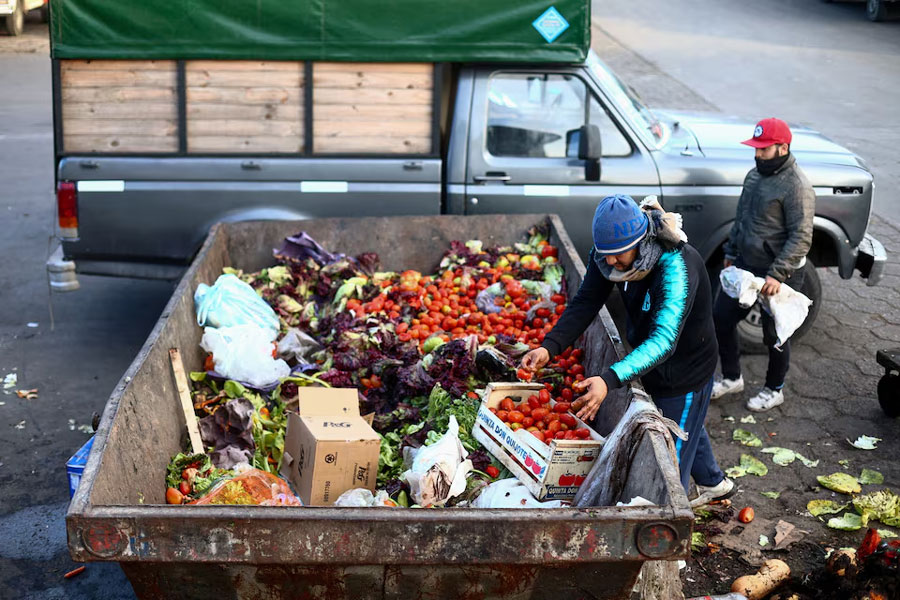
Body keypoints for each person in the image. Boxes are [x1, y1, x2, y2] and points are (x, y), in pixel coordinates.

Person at [521, 194, 732, 506]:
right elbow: (586, 301)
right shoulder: (609, 253)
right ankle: (715, 483)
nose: (609, 262)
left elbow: (663, 342)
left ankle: (670, 524)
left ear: (641, 240)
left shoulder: (676, 268)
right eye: (604, 255)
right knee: (687, 424)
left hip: (683, 371)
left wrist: (608, 380)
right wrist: (549, 347)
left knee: (668, 462)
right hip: (647, 359)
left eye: (617, 256)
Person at [711, 118, 815, 412]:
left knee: (775, 335)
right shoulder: (754, 176)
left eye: (764, 149)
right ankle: (732, 377)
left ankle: (774, 388)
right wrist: (731, 251)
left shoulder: (797, 186)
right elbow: (741, 217)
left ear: (782, 148)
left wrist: (777, 274)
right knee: (721, 318)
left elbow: (801, 236)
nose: (757, 154)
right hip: (746, 264)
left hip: (780, 273)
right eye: (755, 148)